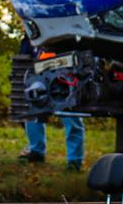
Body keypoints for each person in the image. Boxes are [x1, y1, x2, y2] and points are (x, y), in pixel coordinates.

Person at [17, 37, 86, 171]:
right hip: (39, 71)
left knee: (71, 114)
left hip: (65, 70)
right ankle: (36, 151)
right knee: (33, 113)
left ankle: (74, 160)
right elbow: (26, 51)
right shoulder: (32, 34)